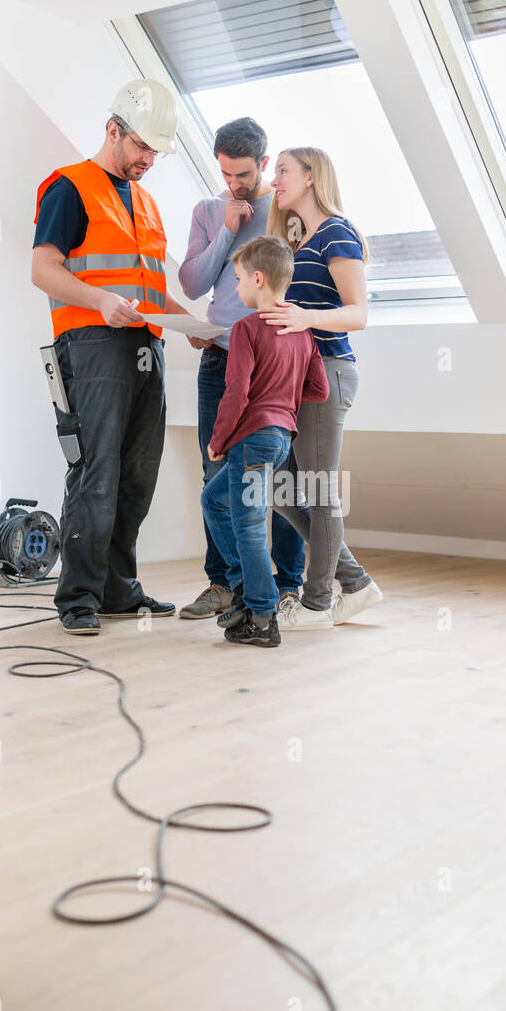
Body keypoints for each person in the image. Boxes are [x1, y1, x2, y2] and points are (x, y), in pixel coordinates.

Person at [31, 78, 196, 635]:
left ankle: (118, 591)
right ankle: (77, 596)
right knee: (96, 472)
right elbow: (43, 269)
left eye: (156, 151)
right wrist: (102, 302)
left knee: (136, 475)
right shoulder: (69, 188)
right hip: (92, 346)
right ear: (113, 130)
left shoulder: (145, 201)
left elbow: (148, 287)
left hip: (146, 345)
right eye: (142, 147)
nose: (149, 159)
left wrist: (189, 322)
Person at [177, 117, 305, 620]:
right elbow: (191, 283)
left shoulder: (285, 209)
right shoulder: (209, 211)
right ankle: (230, 584)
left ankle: (286, 585)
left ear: (265, 164)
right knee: (217, 474)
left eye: (244, 174)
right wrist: (226, 232)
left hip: (274, 361)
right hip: (220, 359)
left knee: (282, 478)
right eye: (226, 174)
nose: (234, 184)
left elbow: (300, 281)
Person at [262, 146, 383, 630]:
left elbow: (358, 313)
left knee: (317, 490)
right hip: (299, 378)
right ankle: (354, 582)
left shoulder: (337, 231)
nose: (275, 181)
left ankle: (316, 604)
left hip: (328, 371)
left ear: (312, 177)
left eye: (283, 171)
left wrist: (306, 317)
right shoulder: (299, 240)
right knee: (280, 485)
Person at [201, 237, 329, 648]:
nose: (236, 289)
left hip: (251, 440)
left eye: (238, 280)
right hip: (279, 440)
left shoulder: (245, 329)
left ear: (258, 279)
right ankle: (246, 588)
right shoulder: (302, 334)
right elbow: (319, 389)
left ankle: (260, 614)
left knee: (251, 528)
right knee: (214, 500)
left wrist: (218, 440)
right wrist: (283, 402)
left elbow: (236, 392)